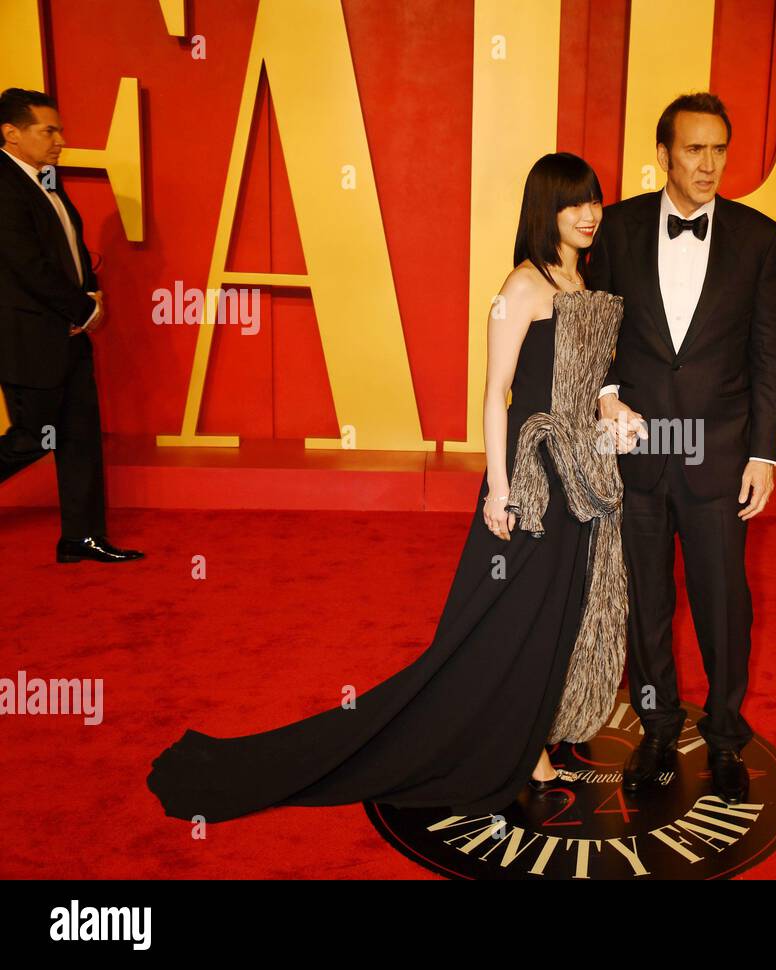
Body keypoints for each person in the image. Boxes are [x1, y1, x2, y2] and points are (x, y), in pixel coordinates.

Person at [146, 152, 631, 823]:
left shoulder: (588, 278)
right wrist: (498, 490)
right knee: (501, 620)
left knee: (556, 614)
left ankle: (534, 739)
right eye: (574, 202)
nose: (587, 215)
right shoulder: (521, 287)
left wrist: (615, 413)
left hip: (582, 476)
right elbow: (496, 395)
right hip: (533, 476)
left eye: (595, 201)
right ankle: (495, 746)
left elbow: (592, 379)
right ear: (544, 209)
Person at [585, 92, 776, 804]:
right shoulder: (615, 229)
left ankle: (729, 735)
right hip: (638, 451)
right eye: (695, 149)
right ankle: (659, 727)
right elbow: (597, 330)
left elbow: (770, 353)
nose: (709, 165)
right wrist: (606, 394)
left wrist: (764, 453)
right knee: (645, 601)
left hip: (717, 453)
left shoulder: (760, 239)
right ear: (665, 152)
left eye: (720, 149)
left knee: (723, 602)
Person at [0, 88, 143, 563]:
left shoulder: (47, 178)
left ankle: (82, 538)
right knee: (31, 437)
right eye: (49, 130)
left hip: (71, 335)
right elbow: (27, 265)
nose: (60, 139)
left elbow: (70, 246)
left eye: (59, 128)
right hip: (30, 339)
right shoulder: (1, 184)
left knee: (80, 436)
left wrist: (92, 291)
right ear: (12, 134)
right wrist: (81, 310)